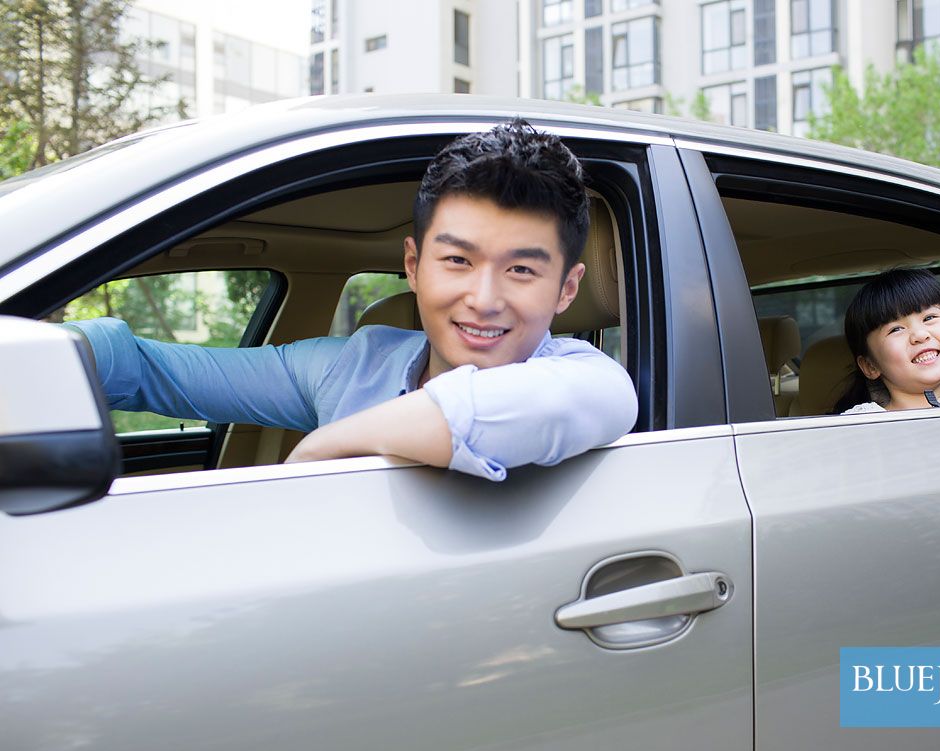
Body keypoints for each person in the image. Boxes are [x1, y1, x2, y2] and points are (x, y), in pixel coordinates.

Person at [69, 119, 639, 481]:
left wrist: (323, 447)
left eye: (520, 269)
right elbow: (148, 369)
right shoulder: (356, 362)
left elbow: (529, 406)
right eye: (458, 261)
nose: (483, 299)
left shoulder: (589, 380)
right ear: (414, 266)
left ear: (567, 289)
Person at [832, 268, 940, 415]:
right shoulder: (862, 420)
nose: (920, 335)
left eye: (929, 318)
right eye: (896, 329)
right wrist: (938, 408)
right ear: (870, 366)